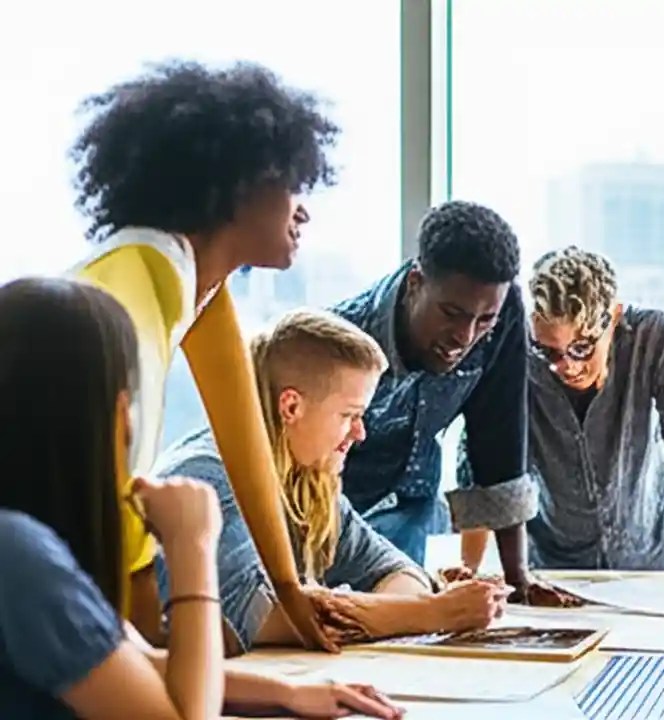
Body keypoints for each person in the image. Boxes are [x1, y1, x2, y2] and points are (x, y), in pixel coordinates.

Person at [0, 277, 402, 719]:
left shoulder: (29, 537)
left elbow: (131, 662)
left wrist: (286, 693)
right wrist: (190, 544)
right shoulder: (18, 555)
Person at [67, 60, 340, 649]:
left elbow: (249, 459)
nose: (303, 209)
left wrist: (295, 600)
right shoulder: (125, 311)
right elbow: (124, 540)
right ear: (235, 188)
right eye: (291, 183)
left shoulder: (186, 284)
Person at [153, 308, 510, 654]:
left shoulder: (310, 478)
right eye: (349, 415)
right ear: (291, 407)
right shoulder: (209, 477)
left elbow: (397, 571)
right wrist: (434, 613)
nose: (361, 433)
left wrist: (361, 607)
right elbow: (258, 619)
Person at [456, 246, 664, 581]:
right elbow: (486, 466)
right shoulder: (516, 357)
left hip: (655, 562)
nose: (565, 367)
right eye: (548, 351)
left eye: (581, 348)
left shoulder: (653, 338)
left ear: (612, 317)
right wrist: (469, 570)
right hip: (558, 571)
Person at [331, 200, 572, 605]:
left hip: (413, 511)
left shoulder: (504, 311)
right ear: (415, 283)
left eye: (484, 320)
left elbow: (499, 442)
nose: (466, 336)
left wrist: (520, 581)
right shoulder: (343, 339)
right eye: (451, 313)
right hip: (334, 519)